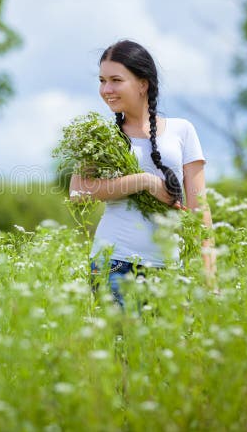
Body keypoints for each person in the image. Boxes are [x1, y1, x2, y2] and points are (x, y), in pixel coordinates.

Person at [69, 40, 215, 307]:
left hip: (171, 269)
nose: (106, 90)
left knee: (167, 348)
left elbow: (199, 209)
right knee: (124, 347)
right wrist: (143, 182)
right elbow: (78, 192)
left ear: (142, 83)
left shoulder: (182, 131)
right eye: (102, 80)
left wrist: (208, 272)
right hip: (113, 263)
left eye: (116, 80)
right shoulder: (101, 136)